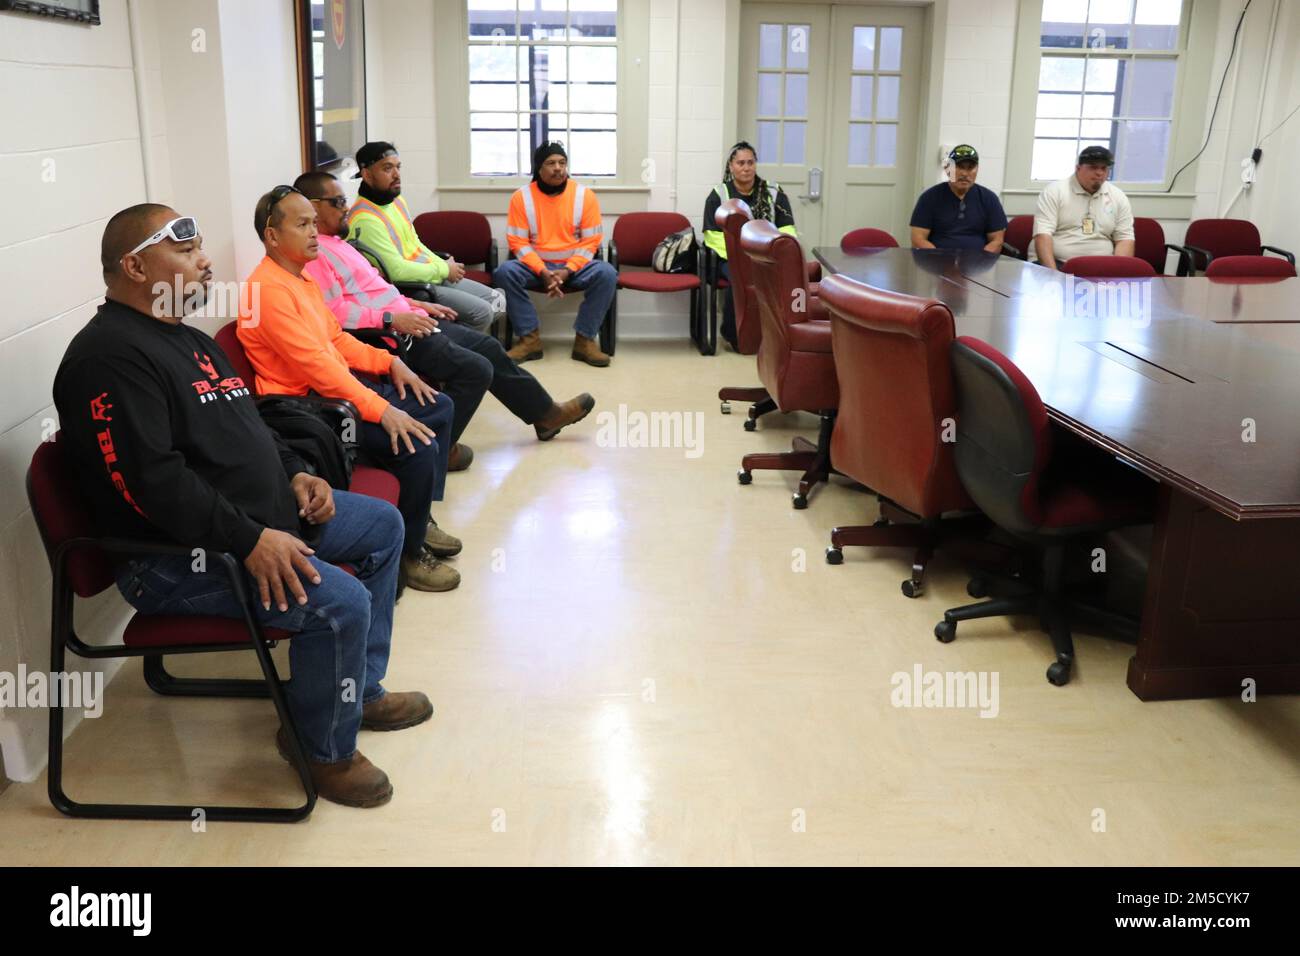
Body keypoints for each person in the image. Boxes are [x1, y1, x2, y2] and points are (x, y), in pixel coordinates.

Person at [53, 203, 431, 809]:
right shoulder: (109, 360)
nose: (205, 261)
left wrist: (297, 474)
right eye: (185, 251)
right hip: (180, 558)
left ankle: (357, 692)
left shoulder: (190, 341)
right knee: (341, 601)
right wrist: (250, 540)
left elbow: (250, 427)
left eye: (199, 248)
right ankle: (321, 748)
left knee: (382, 525)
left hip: (257, 524)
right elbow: (155, 484)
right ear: (133, 265)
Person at [237, 185, 462, 593]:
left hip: (333, 394)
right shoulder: (265, 292)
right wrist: (382, 410)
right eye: (302, 224)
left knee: (439, 406)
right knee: (416, 445)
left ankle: (419, 518)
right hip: (304, 410)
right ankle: (410, 556)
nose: (313, 231)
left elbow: (336, 339)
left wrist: (389, 361)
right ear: (272, 236)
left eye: (312, 221)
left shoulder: (298, 278)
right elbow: (319, 368)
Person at [295, 171, 596, 444]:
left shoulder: (338, 242)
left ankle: (545, 415)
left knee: (488, 347)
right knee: (476, 370)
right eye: (338, 201)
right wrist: (393, 317)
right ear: (312, 206)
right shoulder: (316, 253)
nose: (346, 206)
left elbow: (373, 289)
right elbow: (334, 313)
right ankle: (439, 445)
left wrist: (415, 303)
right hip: (390, 335)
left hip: (410, 318)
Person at [348, 141, 503, 333]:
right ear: (367, 175)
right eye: (387, 168)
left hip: (429, 273)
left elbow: (415, 244)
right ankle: (458, 349)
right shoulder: (365, 218)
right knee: (482, 313)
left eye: (398, 167)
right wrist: (444, 270)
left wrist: (442, 263)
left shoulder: (395, 200)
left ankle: (456, 339)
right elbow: (395, 271)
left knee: (498, 301)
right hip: (410, 286)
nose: (397, 175)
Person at [494, 142, 618, 367]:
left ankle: (585, 341)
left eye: (562, 163)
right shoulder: (521, 197)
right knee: (504, 272)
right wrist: (542, 271)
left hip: (574, 268)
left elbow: (591, 241)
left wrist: (567, 270)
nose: (558, 168)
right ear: (538, 169)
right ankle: (529, 340)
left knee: (607, 273)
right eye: (551, 163)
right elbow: (518, 242)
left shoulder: (584, 195)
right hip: (535, 268)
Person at [701, 141, 799, 350]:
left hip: (768, 256)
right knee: (739, 279)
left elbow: (787, 229)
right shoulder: (719, 195)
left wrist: (775, 252)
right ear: (731, 166)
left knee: (789, 278)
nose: (746, 168)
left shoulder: (773, 192)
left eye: (750, 162)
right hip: (730, 258)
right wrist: (742, 256)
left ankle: (781, 336)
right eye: (740, 163)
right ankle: (736, 335)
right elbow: (712, 235)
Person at [1033, 145, 1135, 270]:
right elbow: (1042, 235)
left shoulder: (1118, 196)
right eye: (1093, 167)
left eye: (1104, 168)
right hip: (1059, 264)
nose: (1099, 173)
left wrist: (1117, 274)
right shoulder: (1055, 191)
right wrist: (1053, 276)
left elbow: (1124, 238)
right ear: (1078, 168)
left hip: (1102, 267)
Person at [909, 144, 1007, 252]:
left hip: (977, 265)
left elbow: (997, 241)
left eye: (970, 168)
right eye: (959, 167)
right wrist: (939, 260)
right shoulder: (929, 198)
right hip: (937, 264)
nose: (964, 173)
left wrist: (981, 261)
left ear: (977, 170)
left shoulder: (989, 199)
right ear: (948, 169)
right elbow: (917, 239)